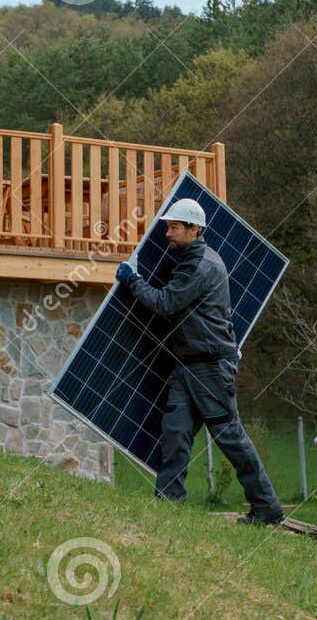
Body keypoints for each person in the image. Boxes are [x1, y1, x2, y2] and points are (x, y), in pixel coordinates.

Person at [116, 198, 284, 524]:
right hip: (188, 365)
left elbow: (164, 303)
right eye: (168, 227)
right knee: (175, 434)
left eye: (174, 227)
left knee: (231, 439)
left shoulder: (200, 266)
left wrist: (132, 279)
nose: (167, 234)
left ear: (194, 229)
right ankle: (169, 507)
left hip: (209, 368)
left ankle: (267, 508)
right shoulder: (194, 260)